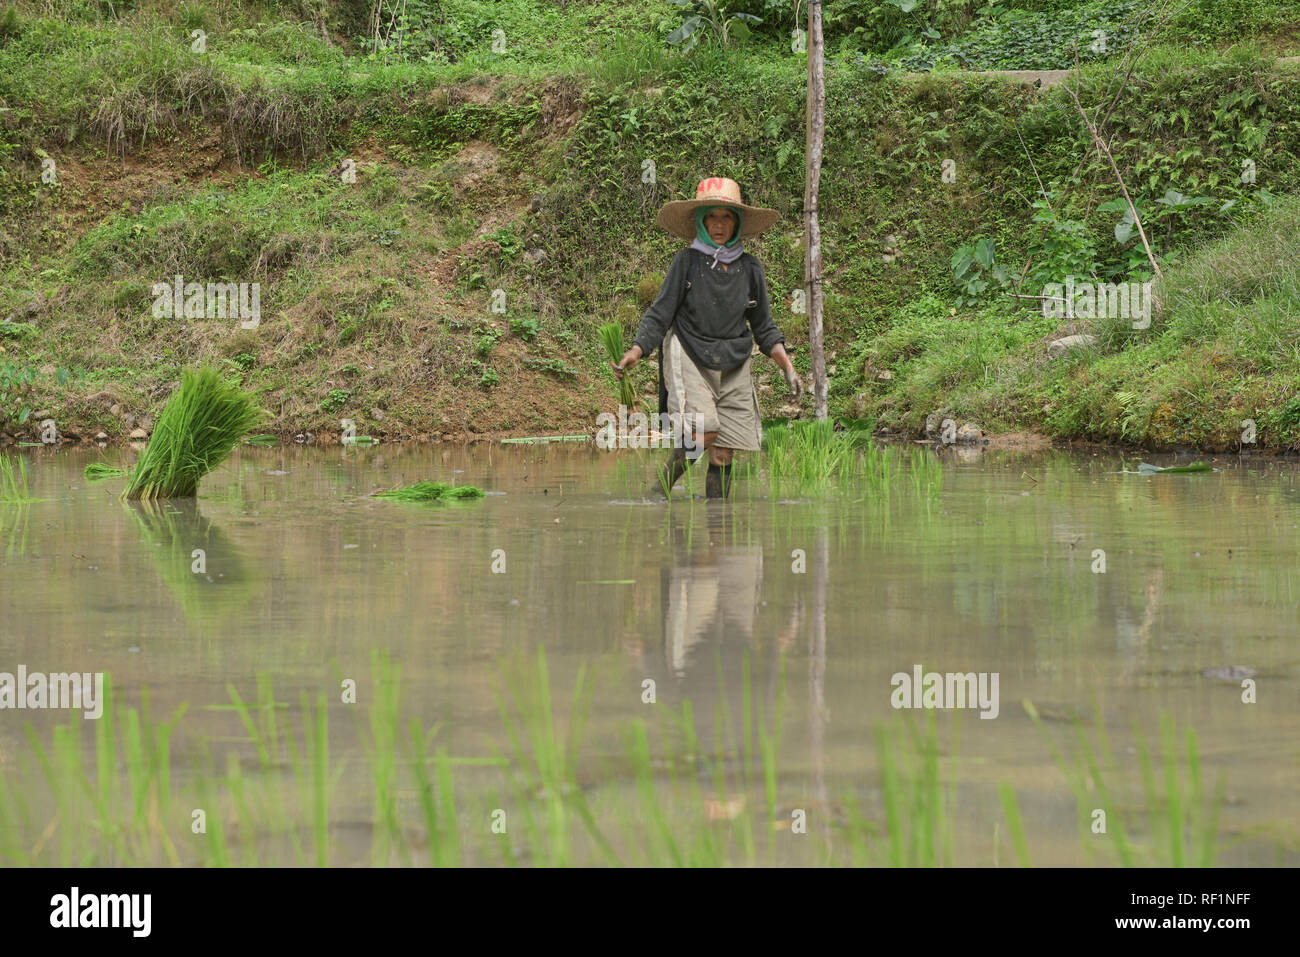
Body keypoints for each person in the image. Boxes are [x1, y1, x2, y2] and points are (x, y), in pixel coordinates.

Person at [613, 176, 803, 499]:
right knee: (704, 433)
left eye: (726, 217)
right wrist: (637, 350)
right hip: (690, 352)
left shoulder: (750, 269)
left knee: (724, 450)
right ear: (701, 222)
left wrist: (787, 366)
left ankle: (718, 527)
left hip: (733, 360)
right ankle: (658, 493)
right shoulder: (686, 263)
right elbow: (660, 313)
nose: (718, 224)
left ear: (737, 222)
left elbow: (764, 326)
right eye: (711, 217)